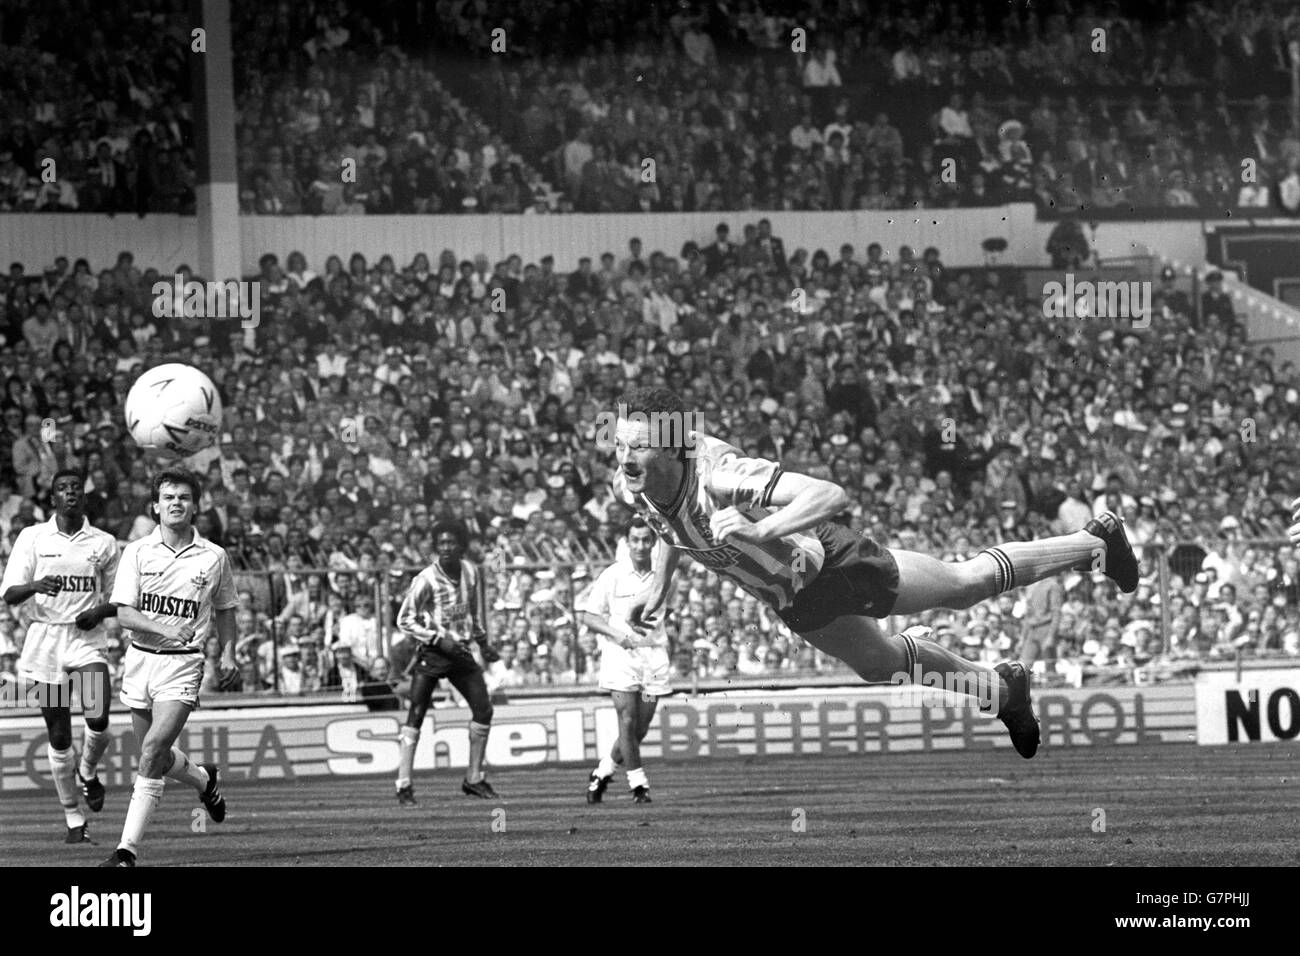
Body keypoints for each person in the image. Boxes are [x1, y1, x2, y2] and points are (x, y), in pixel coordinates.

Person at [612, 387, 1143, 759]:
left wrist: (760, 530)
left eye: (638, 446)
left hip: (830, 562)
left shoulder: (722, 477)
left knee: (963, 587)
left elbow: (829, 495)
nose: (625, 457)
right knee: (881, 665)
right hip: (790, 597)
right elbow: (667, 527)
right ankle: (1004, 694)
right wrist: (660, 585)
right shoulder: (632, 484)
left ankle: (1093, 541)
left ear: (673, 447)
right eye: (619, 444)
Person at [99, 469, 238, 867]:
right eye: (168, 497)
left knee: (153, 750)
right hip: (140, 659)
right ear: (156, 506)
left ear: (195, 505)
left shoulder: (213, 556)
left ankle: (126, 851)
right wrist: (163, 628)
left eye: (183, 497)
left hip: (183, 664)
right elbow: (125, 614)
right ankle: (204, 781)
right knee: (155, 756)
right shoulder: (138, 551)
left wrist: (228, 653)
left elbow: (227, 608)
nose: (176, 502)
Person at [1, 469, 120, 844]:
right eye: (62, 489)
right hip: (44, 642)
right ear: (52, 499)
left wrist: (99, 612)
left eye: (75, 489)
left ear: (83, 497)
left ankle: (88, 772)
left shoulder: (104, 543)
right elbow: (9, 594)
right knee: (59, 733)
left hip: (85, 638)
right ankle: (73, 818)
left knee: (98, 716)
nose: (69, 494)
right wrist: (36, 585)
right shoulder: (32, 537)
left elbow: (118, 598)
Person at [392, 521, 501, 806]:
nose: (446, 548)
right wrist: (437, 639)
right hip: (435, 653)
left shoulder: (470, 571)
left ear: (461, 545)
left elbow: (473, 614)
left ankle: (474, 778)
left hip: (462, 651)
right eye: (441, 543)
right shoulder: (426, 578)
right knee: (416, 711)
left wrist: (484, 643)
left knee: (484, 710)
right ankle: (403, 784)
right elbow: (404, 619)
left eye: (451, 542)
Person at [576, 517, 668, 804]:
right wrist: (618, 635)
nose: (640, 545)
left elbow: (665, 613)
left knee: (640, 728)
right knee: (627, 721)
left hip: (653, 660)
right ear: (627, 543)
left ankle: (602, 773)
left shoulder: (664, 575)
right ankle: (638, 784)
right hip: (621, 657)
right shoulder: (612, 575)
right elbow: (590, 617)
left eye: (645, 540)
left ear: (653, 543)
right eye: (635, 540)